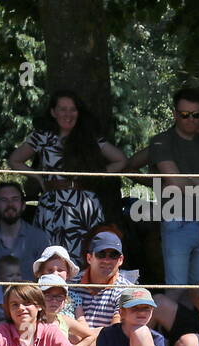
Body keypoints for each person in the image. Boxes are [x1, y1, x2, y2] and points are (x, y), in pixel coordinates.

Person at [8, 90, 127, 262]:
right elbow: (15, 160)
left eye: (72, 109)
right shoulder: (41, 137)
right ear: (53, 112)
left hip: (84, 206)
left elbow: (121, 160)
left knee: (86, 254)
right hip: (51, 205)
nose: (68, 114)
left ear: (78, 112)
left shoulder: (89, 137)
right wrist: (40, 179)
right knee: (49, 256)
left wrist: (96, 176)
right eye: (63, 109)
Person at [145, 87, 199, 296]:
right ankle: (171, 328)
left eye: (196, 115)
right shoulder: (161, 141)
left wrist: (186, 180)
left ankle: (192, 328)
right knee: (177, 288)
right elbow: (174, 181)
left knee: (198, 289)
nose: (191, 119)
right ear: (175, 114)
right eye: (184, 114)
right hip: (176, 220)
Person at [0, 183, 51, 282]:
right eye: (4, 200)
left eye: (15, 199)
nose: (10, 204)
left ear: (23, 205)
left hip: (31, 297)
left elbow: (47, 280)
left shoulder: (39, 238)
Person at [69, 231, 134, 330]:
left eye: (113, 255)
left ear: (120, 260)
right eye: (101, 254)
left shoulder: (127, 291)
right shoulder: (70, 286)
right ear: (89, 258)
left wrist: (80, 345)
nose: (107, 260)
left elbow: (114, 335)